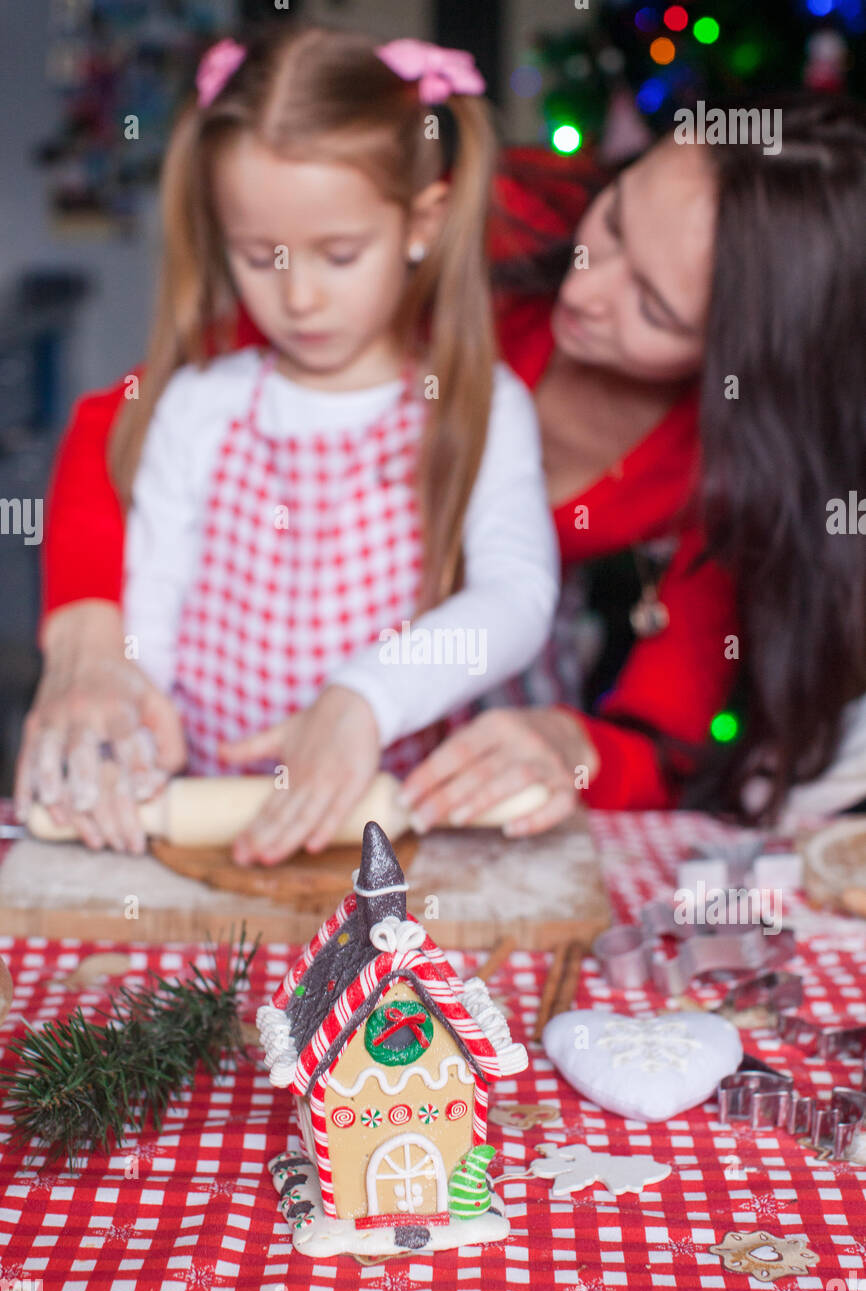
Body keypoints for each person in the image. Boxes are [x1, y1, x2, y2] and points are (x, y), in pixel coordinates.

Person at [21, 84, 866, 849]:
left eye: (651, 306)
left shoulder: (724, 473)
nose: (582, 287)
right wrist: (95, 646)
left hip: (451, 723)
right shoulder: (478, 221)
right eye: (611, 221)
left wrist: (567, 747)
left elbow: (665, 740)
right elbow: (135, 417)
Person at [16, 26, 560, 863]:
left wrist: (363, 698)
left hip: (397, 825)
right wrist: (132, 713)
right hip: (210, 811)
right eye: (258, 257)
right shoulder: (198, 407)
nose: (299, 296)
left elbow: (517, 598)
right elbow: (152, 600)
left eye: (340, 254)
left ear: (423, 222)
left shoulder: (481, 405)